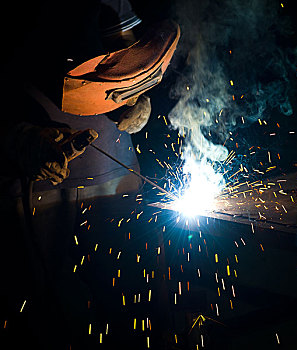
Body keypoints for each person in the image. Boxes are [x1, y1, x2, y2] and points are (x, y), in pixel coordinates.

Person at [0, 1, 179, 348]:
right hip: (36, 188)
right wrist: (16, 139)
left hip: (117, 171)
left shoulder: (111, 7)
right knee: (45, 316)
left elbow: (132, 54)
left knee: (137, 304)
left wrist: (137, 100)